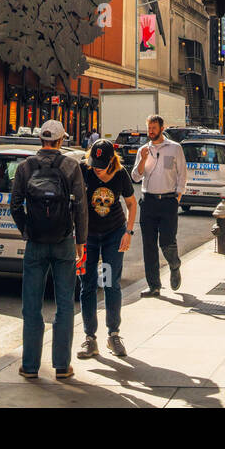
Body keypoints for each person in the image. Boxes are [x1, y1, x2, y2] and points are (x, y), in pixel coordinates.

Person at [10, 119, 87, 381]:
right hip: (64, 240)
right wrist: (80, 240)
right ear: (61, 140)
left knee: (31, 305)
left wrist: (27, 230)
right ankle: (62, 366)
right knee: (65, 304)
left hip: (36, 242)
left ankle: (30, 366)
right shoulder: (71, 166)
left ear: (40, 140)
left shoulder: (25, 167)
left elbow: (15, 205)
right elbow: (80, 207)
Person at [77, 138, 137, 360]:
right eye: (94, 164)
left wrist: (128, 233)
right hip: (88, 236)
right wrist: (77, 237)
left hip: (113, 234)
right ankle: (89, 338)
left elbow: (131, 203)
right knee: (87, 285)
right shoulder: (84, 170)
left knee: (111, 283)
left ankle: (113, 335)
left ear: (111, 160)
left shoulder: (121, 175)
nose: (97, 170)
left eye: (101, 166)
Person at [132, 115, 187, 296]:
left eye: (154, 128)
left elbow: (182, 173)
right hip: (148, 201)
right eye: (149, 128)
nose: (151, 131)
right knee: (149, 245)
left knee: (167, 241)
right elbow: (135, 177)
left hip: (168, 201)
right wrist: (142, 160)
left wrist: (178, 195)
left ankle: (174, 264)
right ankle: (154, 285)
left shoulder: (175, 148)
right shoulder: (143, 150)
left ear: (162, 128)